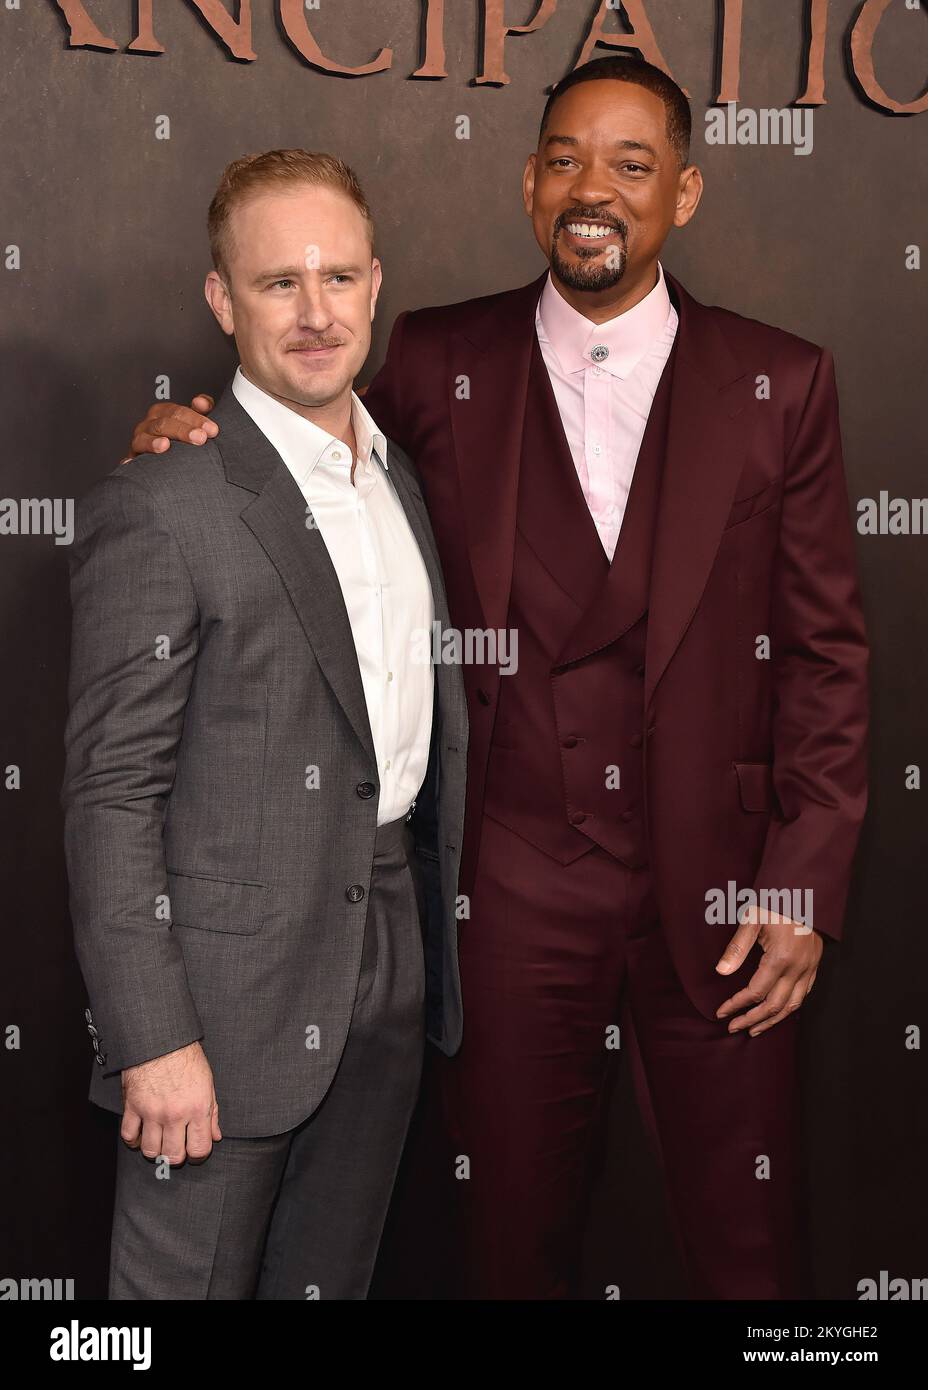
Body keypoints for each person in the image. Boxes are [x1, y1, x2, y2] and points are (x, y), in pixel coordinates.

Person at [123, 57, 869, 1299]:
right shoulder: (430, 357)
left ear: (683, 193)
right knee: (504, 1244)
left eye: (631, 165)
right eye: (566, 157)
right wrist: (178, 432)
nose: (594, 188)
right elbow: (299, 452)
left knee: (753, 1256)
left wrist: (803, 881)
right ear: (528, 182)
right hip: (504, 891)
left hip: (731, 896)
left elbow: (826, 652)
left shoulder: (778, 382)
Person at [61, 149, 467, 1299]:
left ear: (376, 284)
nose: (314, 311)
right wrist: (150, 1035)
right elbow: (110, 792)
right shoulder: (162, 501)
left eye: (336, 277)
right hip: (217, 1008)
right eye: (277, 282)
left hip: (388, 974)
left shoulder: (403, 484)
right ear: (220, 298)